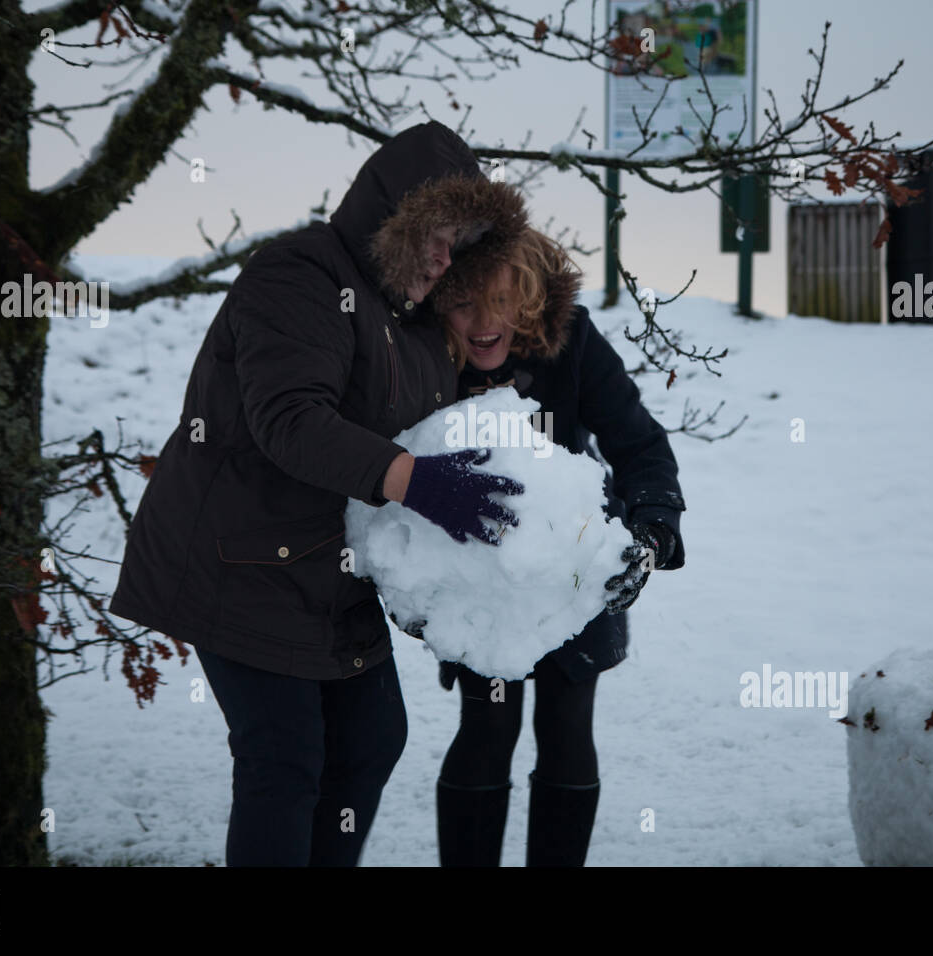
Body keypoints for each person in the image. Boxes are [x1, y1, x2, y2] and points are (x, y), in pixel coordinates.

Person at [108, 121, 528, 866]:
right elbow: (291, 419)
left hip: (328, 568)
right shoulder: (300, 275)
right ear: (386, 216)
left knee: (370, 742)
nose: (442, 256)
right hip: (236, 558)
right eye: (431, 232)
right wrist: (416, 482)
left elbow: (471, 389)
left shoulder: (419, 324)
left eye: (457, 239)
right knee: (285, 761)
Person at [425, 225, 687, 867]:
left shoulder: (570, 341)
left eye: (501, 302)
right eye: (464, 303)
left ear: (531, 298)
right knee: (487, 726)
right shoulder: (423, 355)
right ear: (437, 304)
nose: (485, 322)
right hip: (479, 576)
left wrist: (651, 533)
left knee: (567, 725)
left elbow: (639, 444)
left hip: (578, 569)